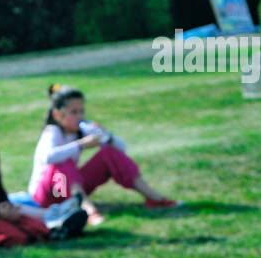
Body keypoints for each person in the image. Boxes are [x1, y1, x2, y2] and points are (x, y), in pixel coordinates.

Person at [0, 94, 86, 251]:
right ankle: (56, 223)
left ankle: (58, 226)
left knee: (34, 227)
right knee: (15, 236)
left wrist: (7, 207)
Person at [29, 84, 181, 227]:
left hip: (70, 191)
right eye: (73, 112)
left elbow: (122, 148)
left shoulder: (82, 130)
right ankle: (89, 211)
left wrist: (106, 136)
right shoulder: (52, 132)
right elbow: (48, 157)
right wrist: (80, 145)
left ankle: (154, 198)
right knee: (63, 161)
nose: (79, 116)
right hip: (50, 195)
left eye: (81, 111)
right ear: (57, 115)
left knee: (109, 152)